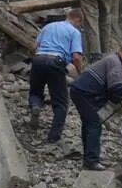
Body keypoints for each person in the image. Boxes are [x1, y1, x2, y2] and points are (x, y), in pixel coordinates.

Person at [69, 46, 122, 171]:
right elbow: (116, 87)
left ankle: (90, 157)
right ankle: (91, 161)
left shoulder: (111, 60)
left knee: (89, 125)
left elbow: (111, 91)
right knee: (94, 125)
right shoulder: (115, 62)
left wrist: (121, 100)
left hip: (80, 91)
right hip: (83, 93)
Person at [30, 10, 85, 144]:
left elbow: (33, 47)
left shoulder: (48, 26)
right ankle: (53, 136)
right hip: (56, 62)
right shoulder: (74, 32)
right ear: (78, 20)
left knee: (36, 91)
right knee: (61, 102)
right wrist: (81, 73)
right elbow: (76, 57)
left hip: (38, 59)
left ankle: (36, 106)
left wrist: (38, 57)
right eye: (79, 24)